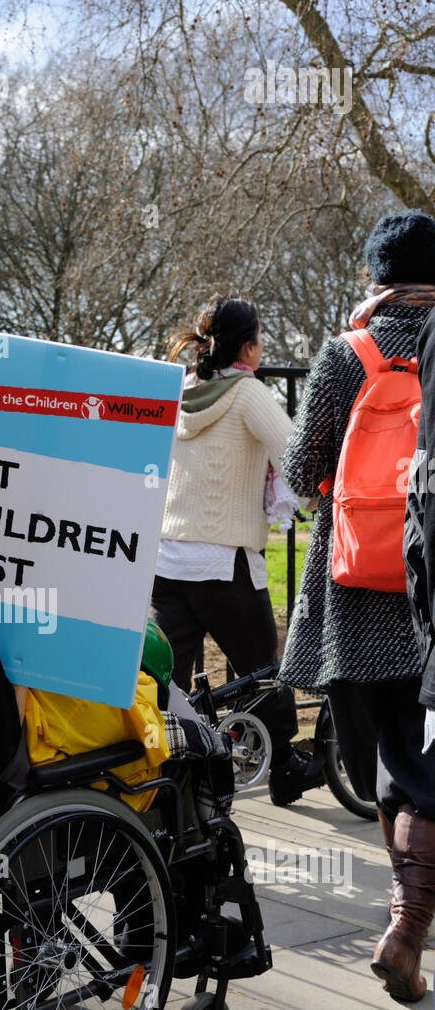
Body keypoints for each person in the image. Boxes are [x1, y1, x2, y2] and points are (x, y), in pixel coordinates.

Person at [280, 210, 435, 1003]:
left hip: (351, 592)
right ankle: (410, 923)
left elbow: (307, 471)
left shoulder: (347, 354)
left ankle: (404, 919)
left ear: (377, 278)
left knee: (381, 761)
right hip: (430, 594)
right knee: (423, 761)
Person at [150, 292, 323, 806]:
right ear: (247, 347)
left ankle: (171, 780)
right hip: (223, 563)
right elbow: (297, 458)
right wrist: (315, 493)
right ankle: (285, 766)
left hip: (165, 560)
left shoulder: (177, 393)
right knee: (262, 669)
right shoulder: (248, 394)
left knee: (168, 681)